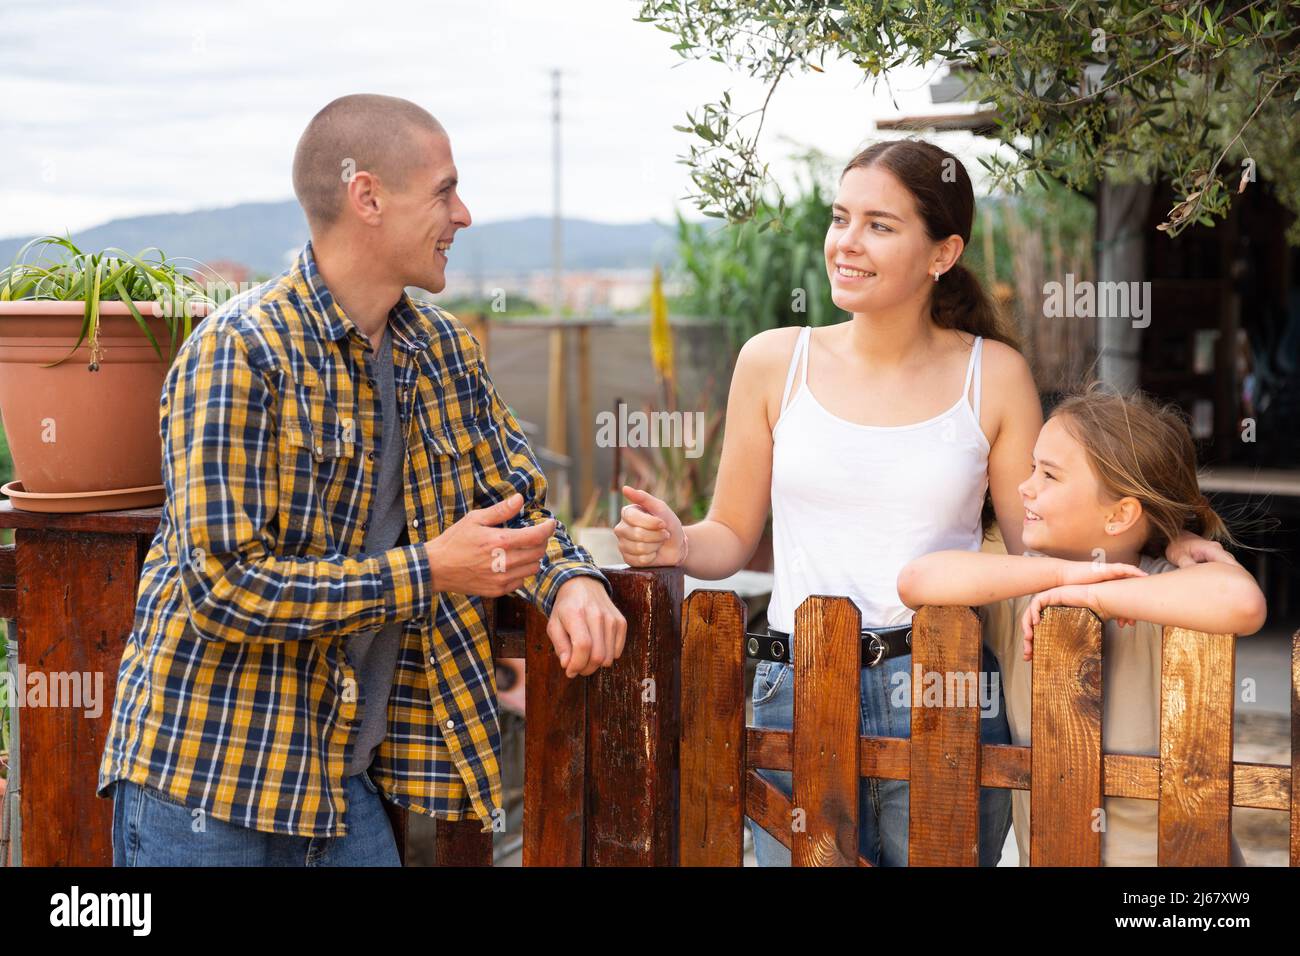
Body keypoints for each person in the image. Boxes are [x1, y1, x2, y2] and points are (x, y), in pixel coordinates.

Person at [98, 94, 626, 866]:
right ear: (367, 196)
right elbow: (223, 588)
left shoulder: (443, 351)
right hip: (207, 789)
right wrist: (430, 570)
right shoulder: (238, 355)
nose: (465, 214)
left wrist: (569, 581)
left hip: (341, 789)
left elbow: (515, 508)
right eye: (445, 191)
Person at [898, 385, 1267, 865]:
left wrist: (1094, 594)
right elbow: (918, 579)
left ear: (1120, 515)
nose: (1025, 487)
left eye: (1049, 475)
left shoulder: (1162, 582)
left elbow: (1242, 602)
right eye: (1032, 467)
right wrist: (1065, 575)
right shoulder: (1022, 583)